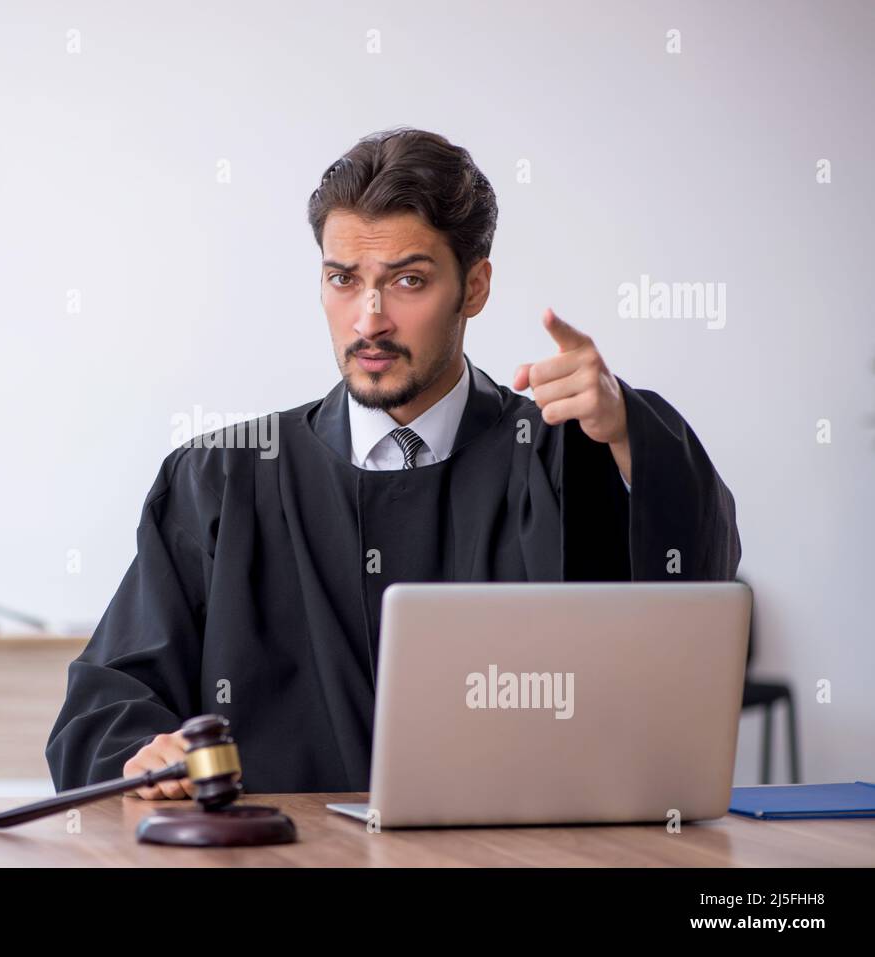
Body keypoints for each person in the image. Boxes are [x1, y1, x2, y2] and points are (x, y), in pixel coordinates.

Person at [46, 127, 741, 798]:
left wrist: (627, 431)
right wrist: (144, 753)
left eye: (408, 281)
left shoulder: (564, 452)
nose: (368, 319)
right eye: (343, 279)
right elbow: (103, 707)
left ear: (474, 287)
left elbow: (694, 599)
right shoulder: (219, 478)